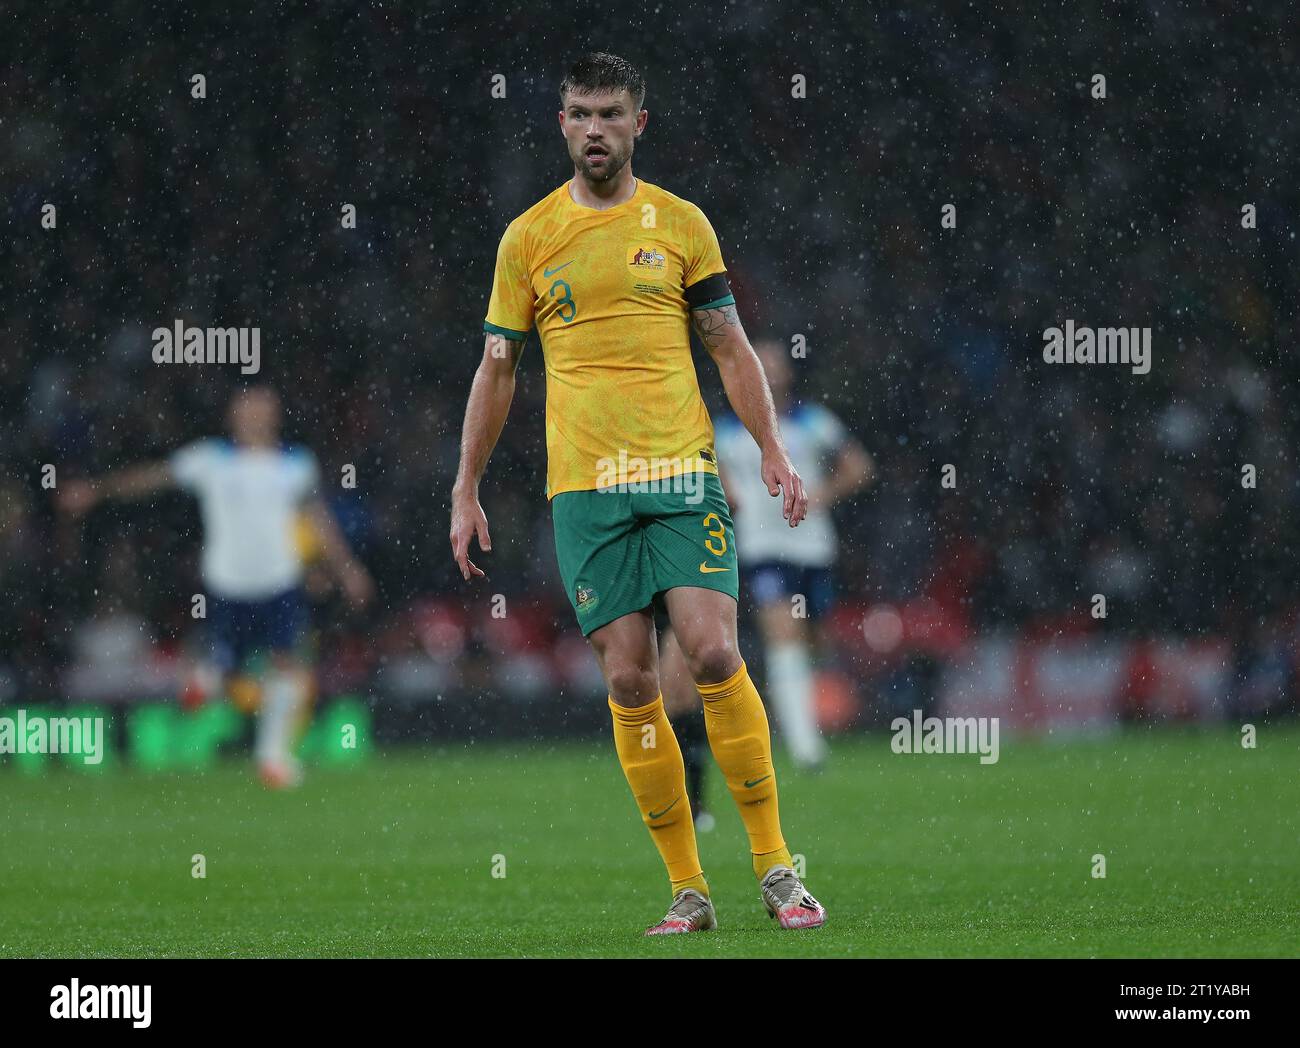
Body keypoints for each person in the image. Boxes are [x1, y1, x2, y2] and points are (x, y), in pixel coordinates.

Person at [450, 52, 824, 934]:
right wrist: (465, 486)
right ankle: (688, 890)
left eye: (611, 114)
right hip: (585, 489)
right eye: (580, 112)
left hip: (681, 472)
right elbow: (497, 370)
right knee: (626, 677)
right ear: (560, 122)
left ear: (638, 124)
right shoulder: (528, 237)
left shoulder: (683, 224)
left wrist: (769, 448)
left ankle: (776, 868)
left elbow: (730, 346)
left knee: (712, 653)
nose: (594, 129)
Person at [60, 386, 374, 786]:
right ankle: (207, 679)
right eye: (246, 408)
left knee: (290, 667)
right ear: (233, 415)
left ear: (274, 415)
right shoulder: (210, 460)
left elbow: (317, 518)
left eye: (262, 409)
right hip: (229, 585)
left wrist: (347, 569)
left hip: (280, 582)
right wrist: (96, 490)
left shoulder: (296, 464)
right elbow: (153, 477)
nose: (254, 416)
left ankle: (273, 757)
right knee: (227, 671)